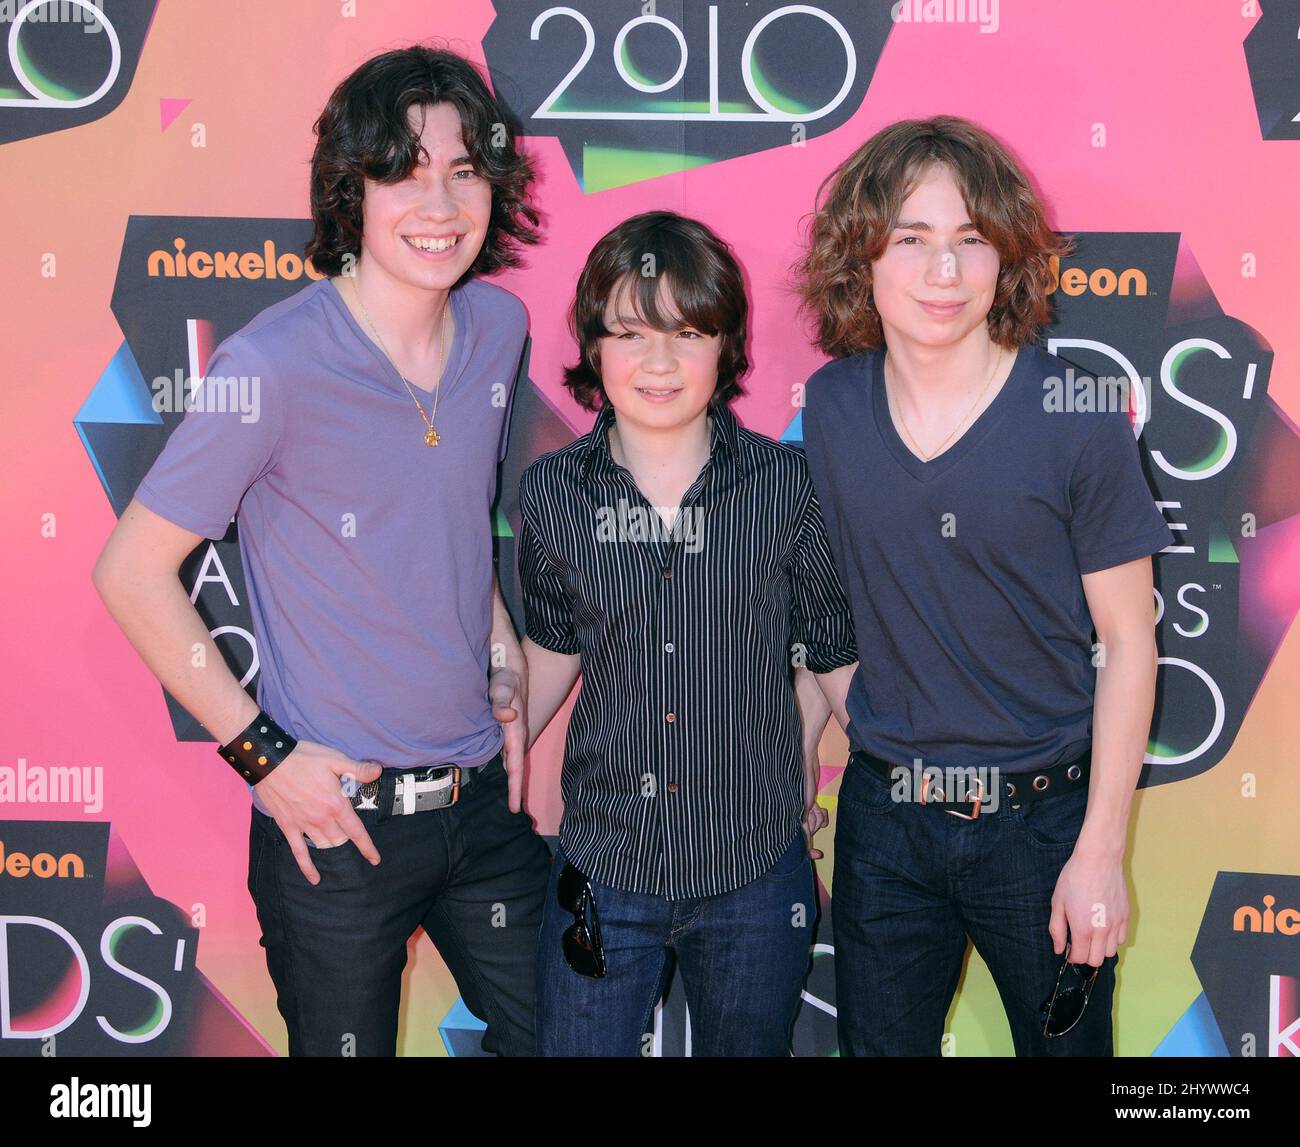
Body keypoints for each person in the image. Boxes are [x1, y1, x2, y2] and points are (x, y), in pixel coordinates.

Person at [92, 46, 553, 1057]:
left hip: (481, 810)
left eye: (464, 169)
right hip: (335, 830)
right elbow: (129, 571)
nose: (438, 200)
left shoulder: (496, 326)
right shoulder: (273, 365)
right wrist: (264, 759)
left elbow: (453, 510)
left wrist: (496, 634)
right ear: (353, 189)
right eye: (402, 167)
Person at [795, 116, 1173, 1056]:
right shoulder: (833, 409)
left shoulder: (1076, 413)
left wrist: (1100, 852)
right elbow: (823, 614)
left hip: (1042, 828)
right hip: (885, 825)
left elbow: (1129, 640)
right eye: (912, 240)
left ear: (1007, 259)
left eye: (972, 241)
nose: (944, 273)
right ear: (862, 256)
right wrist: (797, 762)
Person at [517, 211, 858, 1057]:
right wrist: (474, 747)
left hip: (754, 870)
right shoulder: (552, 494)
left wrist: (926, 769)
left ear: (726, 347)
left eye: (688, 333)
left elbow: (833, 652)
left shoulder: (789, 487)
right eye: (630, 333)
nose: (659, 363)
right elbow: (552, 653)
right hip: (603, 866)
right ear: (594, 348)